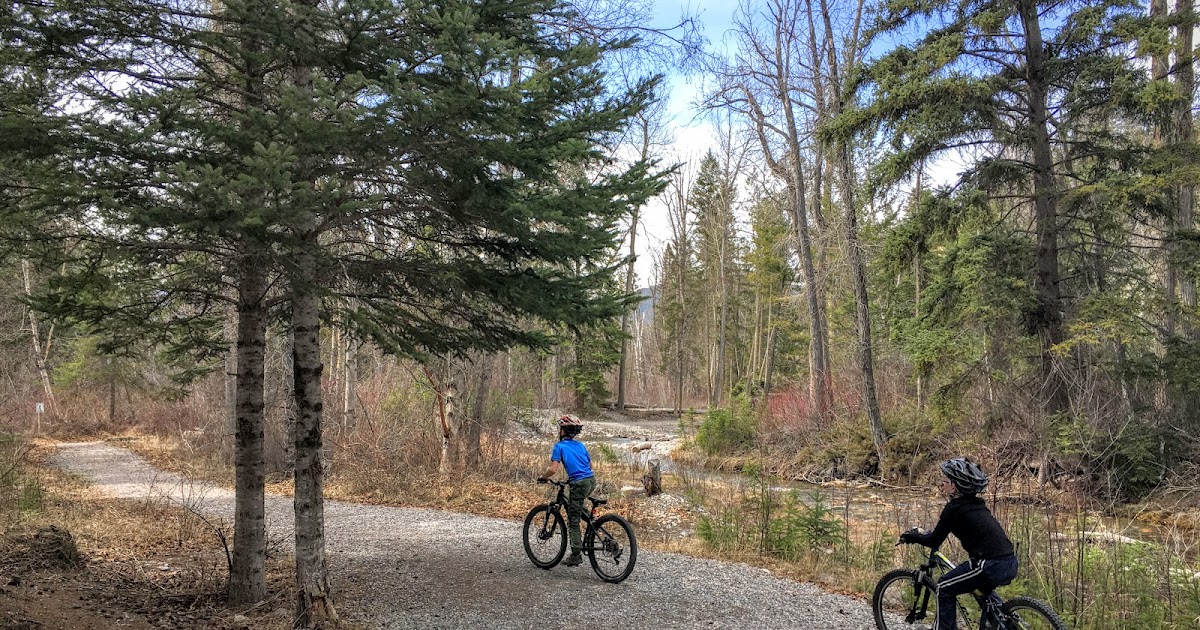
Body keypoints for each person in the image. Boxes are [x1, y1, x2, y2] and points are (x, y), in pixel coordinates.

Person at [899, 457, 1018, 630]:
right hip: (1009, 562)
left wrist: (912, 537)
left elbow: (934, 540)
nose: (942, 484)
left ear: (954, 486)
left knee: (944, 586)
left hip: (988, 565)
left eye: (945, 481)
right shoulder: (978, 505)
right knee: (983, 591)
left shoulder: (954, 509)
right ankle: (1005, 623)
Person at [537, 414, 596, 567]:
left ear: (563, 430)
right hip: (591, 481)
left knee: (573, 519)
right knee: (574, 505)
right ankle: (592, 521)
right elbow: (590, 466)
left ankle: (576, 554)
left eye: (560, 428)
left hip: (579, 483)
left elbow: (553, 469)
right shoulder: (581, 445)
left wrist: (543, 477)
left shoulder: (559, 446)